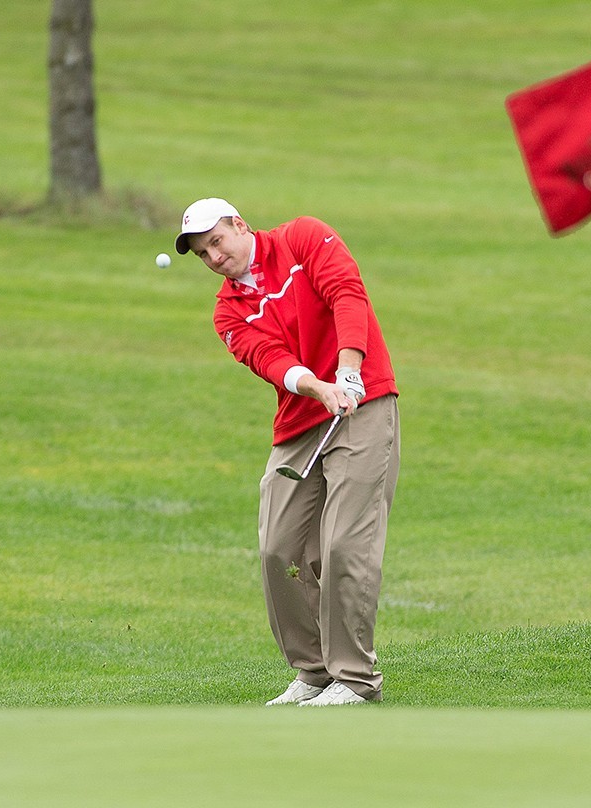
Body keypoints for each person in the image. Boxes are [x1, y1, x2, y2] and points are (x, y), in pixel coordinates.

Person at [175, 198, 400, 706]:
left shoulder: (302, 237)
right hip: (302, 419)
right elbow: (271, 359)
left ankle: (355, 679)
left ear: (240, 225)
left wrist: (348, 370)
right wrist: (320, 387)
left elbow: (347, 293)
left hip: (363, 402)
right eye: (202, 253)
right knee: (279, 548)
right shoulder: (227, 311)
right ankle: (314, 671)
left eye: (216, 242)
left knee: (344, 542)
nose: (213, 257)